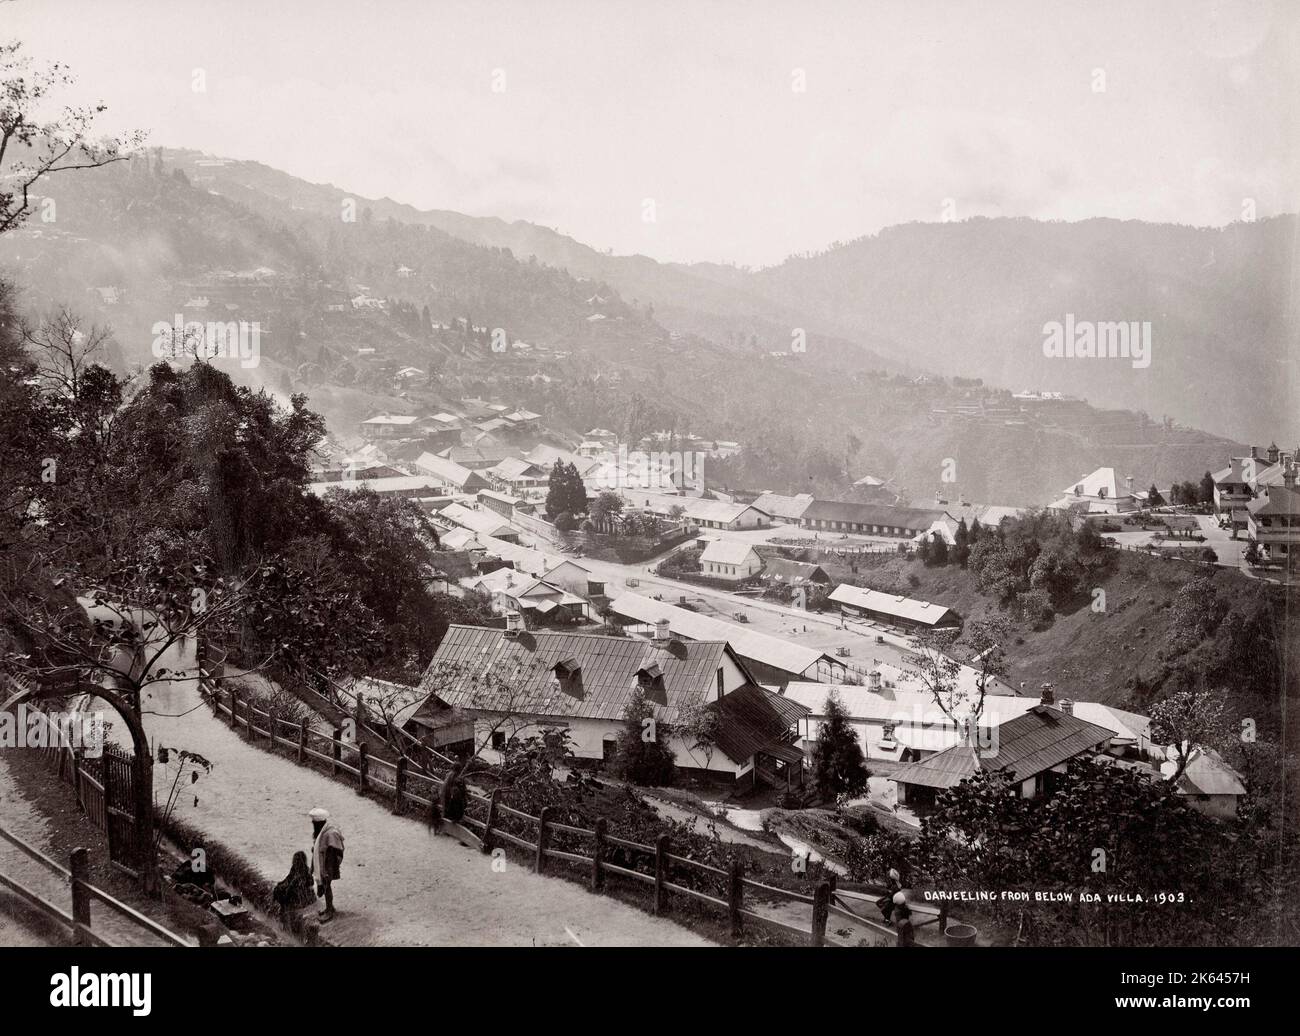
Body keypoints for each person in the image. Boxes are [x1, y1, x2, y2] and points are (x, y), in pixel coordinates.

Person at [308, 807, 345, 923]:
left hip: (329, 865)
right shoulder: (322, 832)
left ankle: (329, 910)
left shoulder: (330, 834)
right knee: (325, 886)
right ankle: (330, 907)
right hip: (323, 863)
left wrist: (328, 870)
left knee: (326, 886)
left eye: (314, 823)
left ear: (319, 823)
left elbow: (334, 852)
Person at [272, 851, 317, 932]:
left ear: (301, 861)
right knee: (278, 889)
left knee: (287, 894)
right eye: (295, 860)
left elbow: (310, 883)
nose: (295, 861)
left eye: (297, 860)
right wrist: (281, 883)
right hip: (295, 890)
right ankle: (282, 910)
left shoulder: (305, 870)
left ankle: (284, 912)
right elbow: (288, 878)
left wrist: (293, 884)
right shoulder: (294, 868)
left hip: (302, 893)